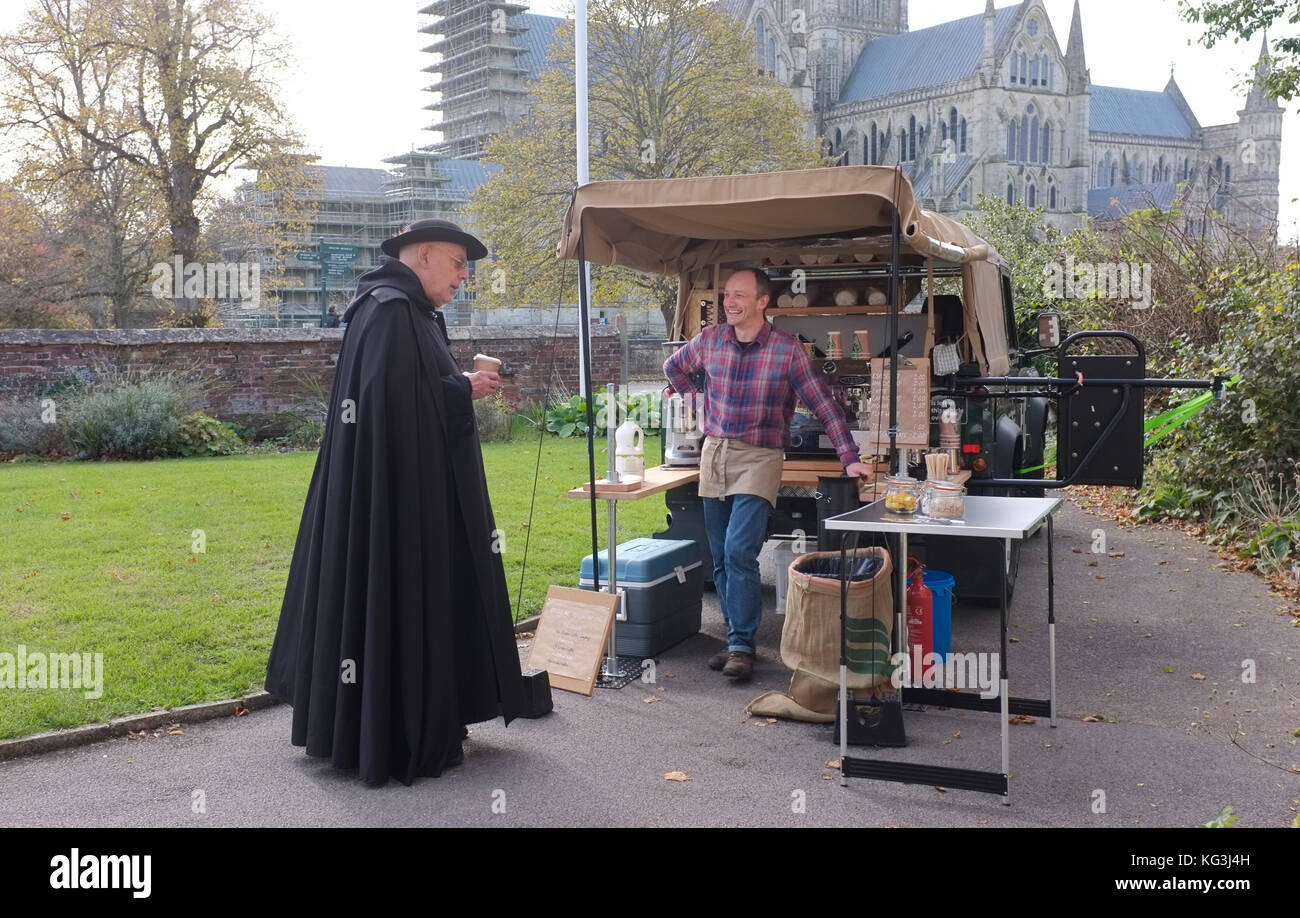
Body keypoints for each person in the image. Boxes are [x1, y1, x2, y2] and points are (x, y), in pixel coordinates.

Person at [265, 218, 529, 785]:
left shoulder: (408, 312)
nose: (464, 276)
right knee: (394, 594)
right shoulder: (389, 310)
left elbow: (405, 393)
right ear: (425, 255)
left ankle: (410, 717)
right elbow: (388, 410)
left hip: (412, 493)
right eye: (459, 263)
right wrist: (461, 390)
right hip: (395, 504)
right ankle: (391, 731)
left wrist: (456, 383)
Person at [663, 267, 873, 682]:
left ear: (763, 302)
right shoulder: (709, 341)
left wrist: (849, 457)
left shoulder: (786, 350)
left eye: (740, 295)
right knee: (720, 558)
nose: (730, 302)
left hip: (760, 457)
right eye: (727, 295)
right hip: (715, 454)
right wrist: (696, 400)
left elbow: (823, 402)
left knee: (740, 551)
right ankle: (736, 637)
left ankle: (742, 645)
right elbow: (673, 369)